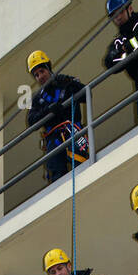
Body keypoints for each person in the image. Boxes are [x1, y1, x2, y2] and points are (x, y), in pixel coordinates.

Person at [26, 50, 88, 185]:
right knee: (57, 179)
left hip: (74, 132)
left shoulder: (65, 82)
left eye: (42, 71)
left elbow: (86, 95)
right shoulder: (38, 98)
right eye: (36, 75)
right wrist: (47, 111)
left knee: (84, 170)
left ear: (49, 68)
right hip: (53, 140)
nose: (40, 77)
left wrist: (71, 83)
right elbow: (31, 121)